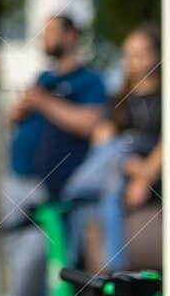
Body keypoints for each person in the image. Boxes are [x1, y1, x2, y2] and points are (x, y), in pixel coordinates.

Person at [0, 14, 106, 296]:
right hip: (18, 179)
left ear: (72, 36)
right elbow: (20, 117)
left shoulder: (89, 80)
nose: (44, 38)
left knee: (41, 260)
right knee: (21, 259)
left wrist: (44, 102)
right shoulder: (43, 78)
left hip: (53, 188)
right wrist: (18, 112)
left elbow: (90, 123)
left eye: (51, 32)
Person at [66, 24, 161, 272]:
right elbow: (103, 139)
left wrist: (144, 176)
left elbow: (169, 143)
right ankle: (80, 270)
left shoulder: (167, 98)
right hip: (119, 168)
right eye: (129, 54)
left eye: (141, 53)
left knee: (103, 192)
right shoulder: (119, 98)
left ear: (157, 55)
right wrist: (126, 162)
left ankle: (113, 267)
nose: (133, 61)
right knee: (89, 202)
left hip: (147, 177)